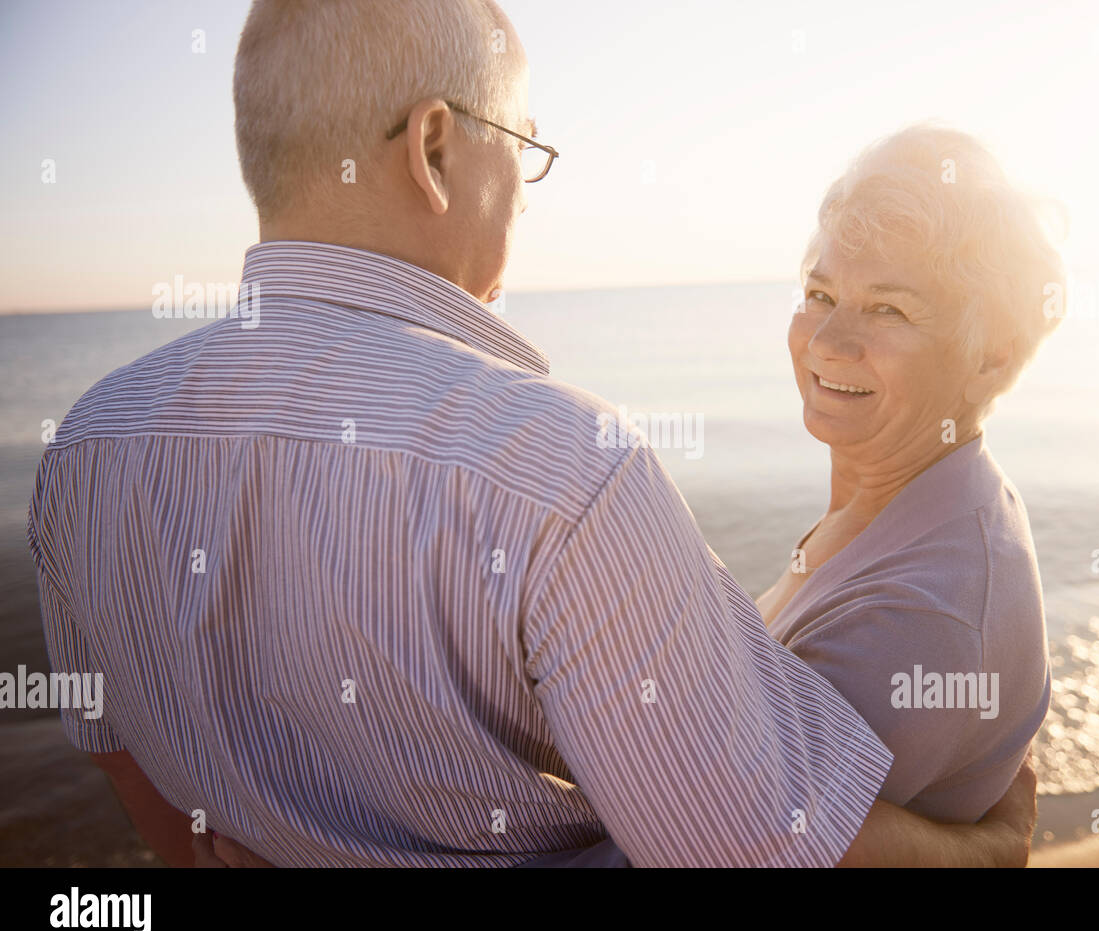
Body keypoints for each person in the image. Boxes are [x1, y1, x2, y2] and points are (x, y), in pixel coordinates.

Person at [27, 0, 1033, 867]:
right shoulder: (560, 474)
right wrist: (980, 856)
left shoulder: (83, 450)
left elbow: (122, 753)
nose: (522, 192)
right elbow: (750, 849)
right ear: (434, 151)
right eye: (522, 151)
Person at [758, 125, 1062, 822]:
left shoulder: (925, 614)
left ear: (993, 355)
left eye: (888, 308)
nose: (828, 341)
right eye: (821, 294)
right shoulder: (895, 501)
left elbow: (727, 835)